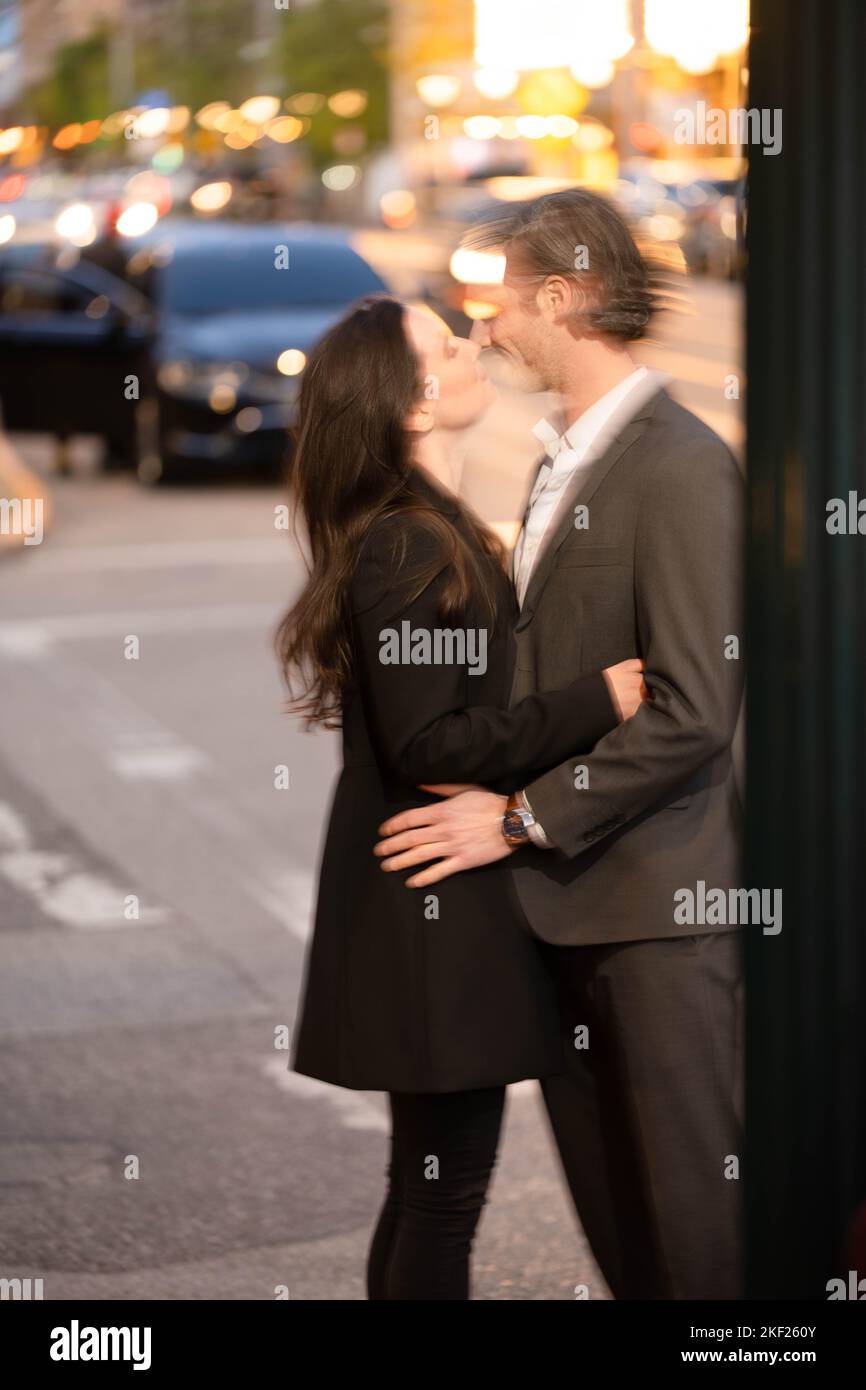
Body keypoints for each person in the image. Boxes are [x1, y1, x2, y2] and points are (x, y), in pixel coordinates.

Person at [375, 191, 746, 1300]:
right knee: (617, 1222)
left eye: (498, 306)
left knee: (695, 1234)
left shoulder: (678, 466)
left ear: (562, 295)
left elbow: (691, 709)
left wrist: (520, 817)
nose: (485, 328)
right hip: (562, 913)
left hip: (654, 920)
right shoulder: (553, 462)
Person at [274, 294, 646, 1300]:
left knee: (428, 1184)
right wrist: (600, 697)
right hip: (427, 905)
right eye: (444, 344)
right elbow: (431, 743)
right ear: (410, 404)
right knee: (443, 1192)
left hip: (427, 899)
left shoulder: (427, 527)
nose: (471, 342)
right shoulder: (408, 542)